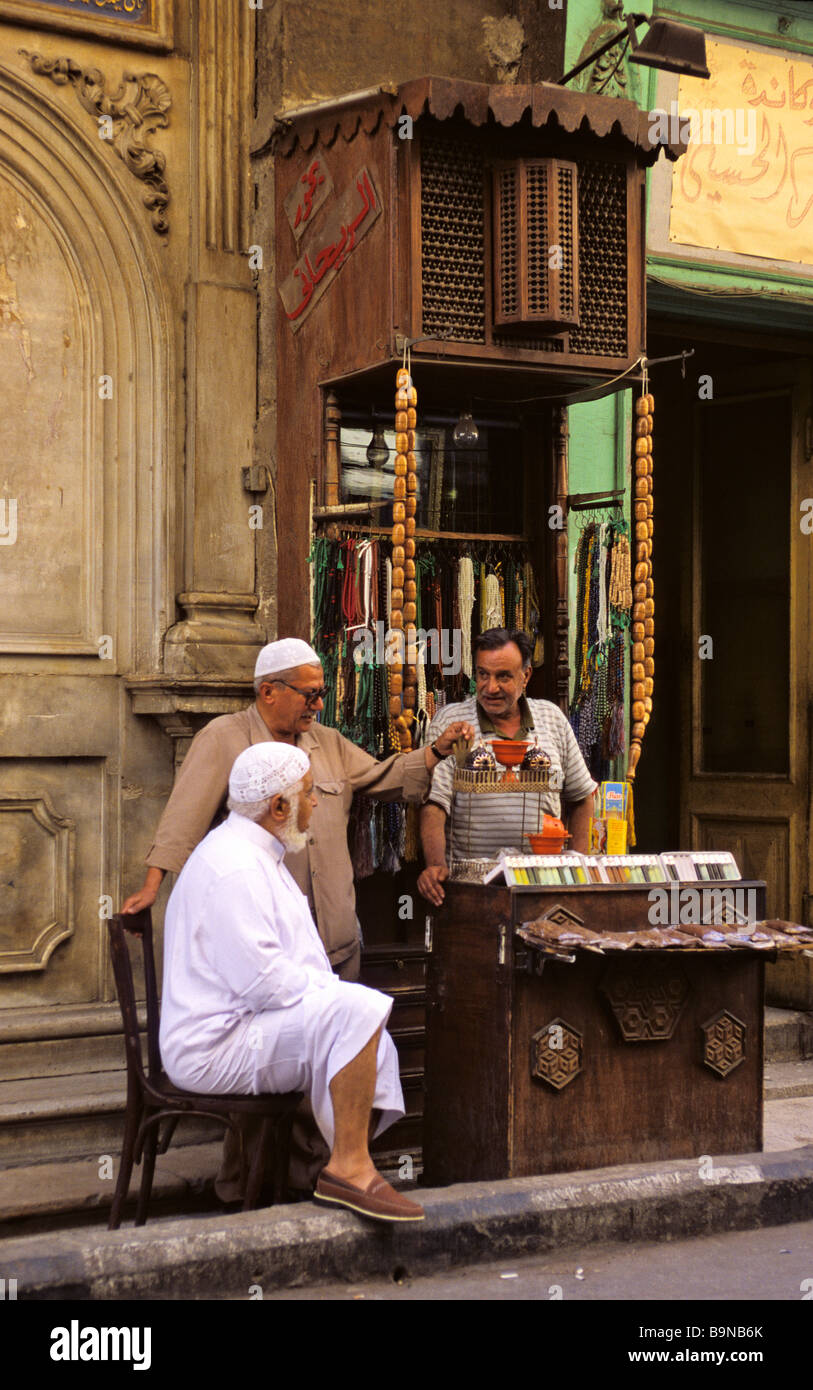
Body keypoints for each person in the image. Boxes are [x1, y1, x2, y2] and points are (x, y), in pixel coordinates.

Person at [123, 636, 473, 1198]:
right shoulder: (227, 741)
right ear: (268, 692)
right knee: (280, 1064)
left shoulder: (327, 744)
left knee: (331, 1064)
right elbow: (185, 816)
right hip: (260, 951)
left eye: (323, 693)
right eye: (309, 694)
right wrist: (152, 884)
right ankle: (247, 1189)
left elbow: (383, 779)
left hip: (329, 937)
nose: (318, 704)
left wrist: (434, 753)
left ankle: (315, 1182)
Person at [160, 741, 424, 1222]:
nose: (317, 802)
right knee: (354, 1011)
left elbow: (284, 970)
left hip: (244, 1027)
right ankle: (349, 1166)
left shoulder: (259, 853)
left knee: (356, 1013)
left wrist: (333, 996)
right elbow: (264, 983)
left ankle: (347, 1161)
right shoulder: (235, 866)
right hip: (211, 1046)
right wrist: (335, 996)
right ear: (279, 806)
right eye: (308, 793)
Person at [418, 628, 597, 906]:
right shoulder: (451, 723)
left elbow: (583, 796)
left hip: (542, 886)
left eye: (503, 676)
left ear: (525, 676)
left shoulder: (552, 719)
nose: (491, 688)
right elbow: (434, 805)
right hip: (472, 887)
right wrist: (436, 865)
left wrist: (576, 867)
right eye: (483, 675)